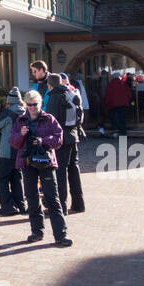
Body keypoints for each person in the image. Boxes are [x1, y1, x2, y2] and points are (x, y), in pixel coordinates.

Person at [10, 90, 71, 248]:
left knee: (52, 198)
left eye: (35, 104)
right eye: (29, 105)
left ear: (40, 103)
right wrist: (21, 135)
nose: (32, 107)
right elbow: (14, 142)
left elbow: (59, 138)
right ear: (25, 104)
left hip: (46, 162)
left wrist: (43, 140)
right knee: (32, 198)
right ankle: (37, 232)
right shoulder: (20, 120)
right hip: (27, 163)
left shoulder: (49, 119)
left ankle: (61, 235)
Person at [46, 74, 85, 214]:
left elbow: (51, 120)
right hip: (73, 136)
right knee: (74, 168)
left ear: (49, 85)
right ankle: (79, 204)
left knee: (60, 171)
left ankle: (60, 207)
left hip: (62, 139)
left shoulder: (54, 96)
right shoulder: (71, 92)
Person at [0, 88, 27, 217]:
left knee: (2, 179)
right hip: (20, 151)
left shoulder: (8, 113)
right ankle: (21, 205)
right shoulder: (25, 112)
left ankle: (7, 207)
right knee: (17, 179)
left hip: (7, 151)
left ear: (9, 102)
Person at [105, 70, 134, 137]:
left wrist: (106, 103)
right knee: (122, 118)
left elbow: (108, 95)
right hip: (123, 104)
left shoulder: (110, 85)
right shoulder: (123, 84)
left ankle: (115, 131)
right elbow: (129, 94)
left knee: (114, 119)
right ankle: (123, 132)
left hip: (113, 105)